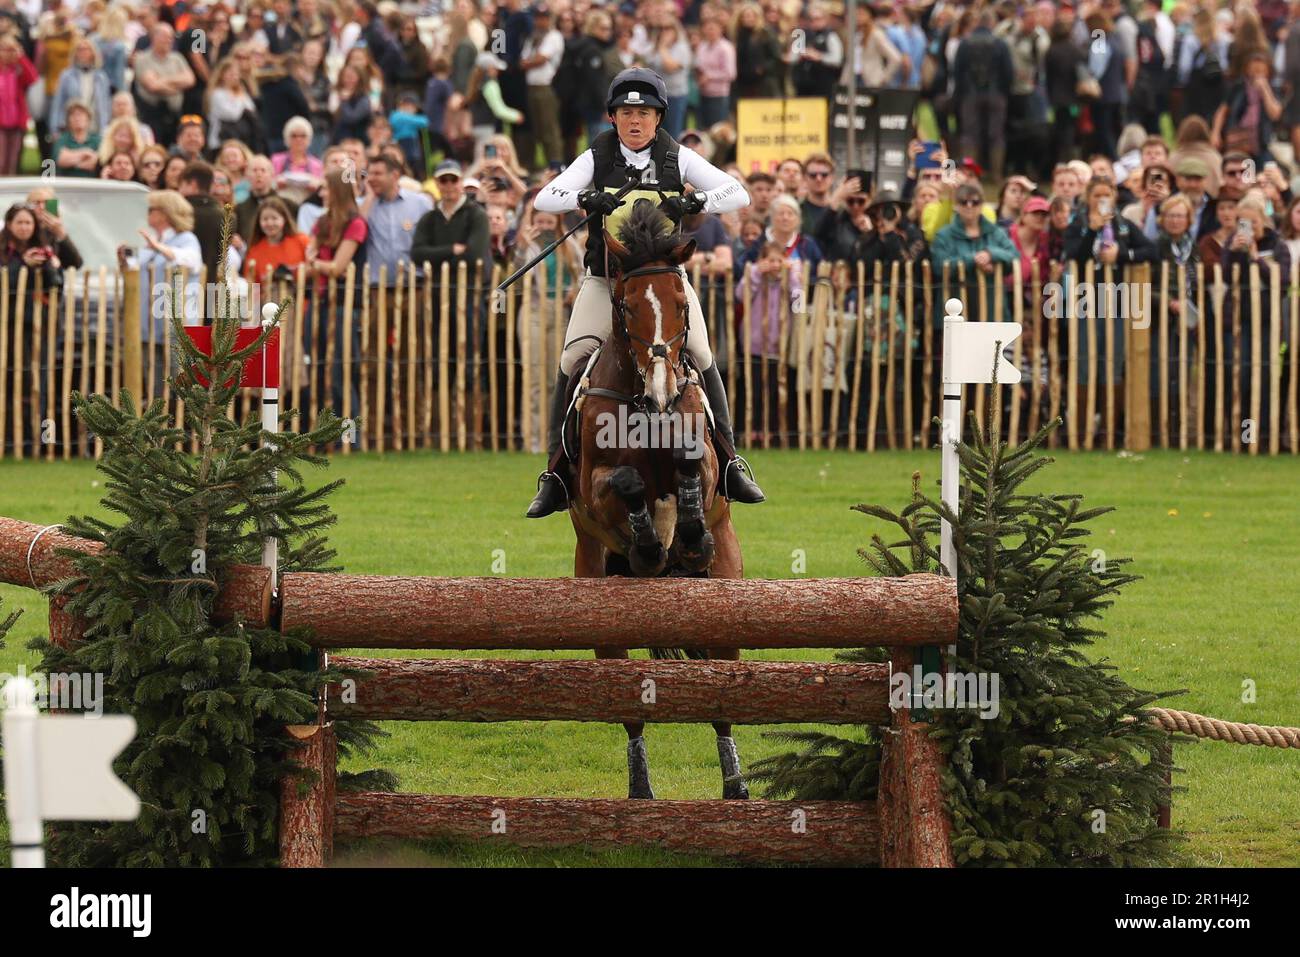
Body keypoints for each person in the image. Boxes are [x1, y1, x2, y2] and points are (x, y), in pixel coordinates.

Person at [528, 67, 761, 518]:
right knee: (572, 359)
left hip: (665, 282)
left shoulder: (679, 157)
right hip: (606, 281)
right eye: (627, 112)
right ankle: (556, 472)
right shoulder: (597, 154)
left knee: (701, 351)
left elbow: (738, 195)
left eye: (645, 113)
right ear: (613, 117)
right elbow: (545, 197)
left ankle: (731, 461)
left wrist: (696, 202)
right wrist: (585, 199)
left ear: (658, 118)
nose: (636, 121)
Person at [245, 196, 309, 282]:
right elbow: (253, 285)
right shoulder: (254, 251)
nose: (270, 223)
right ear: (259, 222)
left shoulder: (301, 241)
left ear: (284, 219)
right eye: (265, 219)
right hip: (269, 295)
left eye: (274, 218)